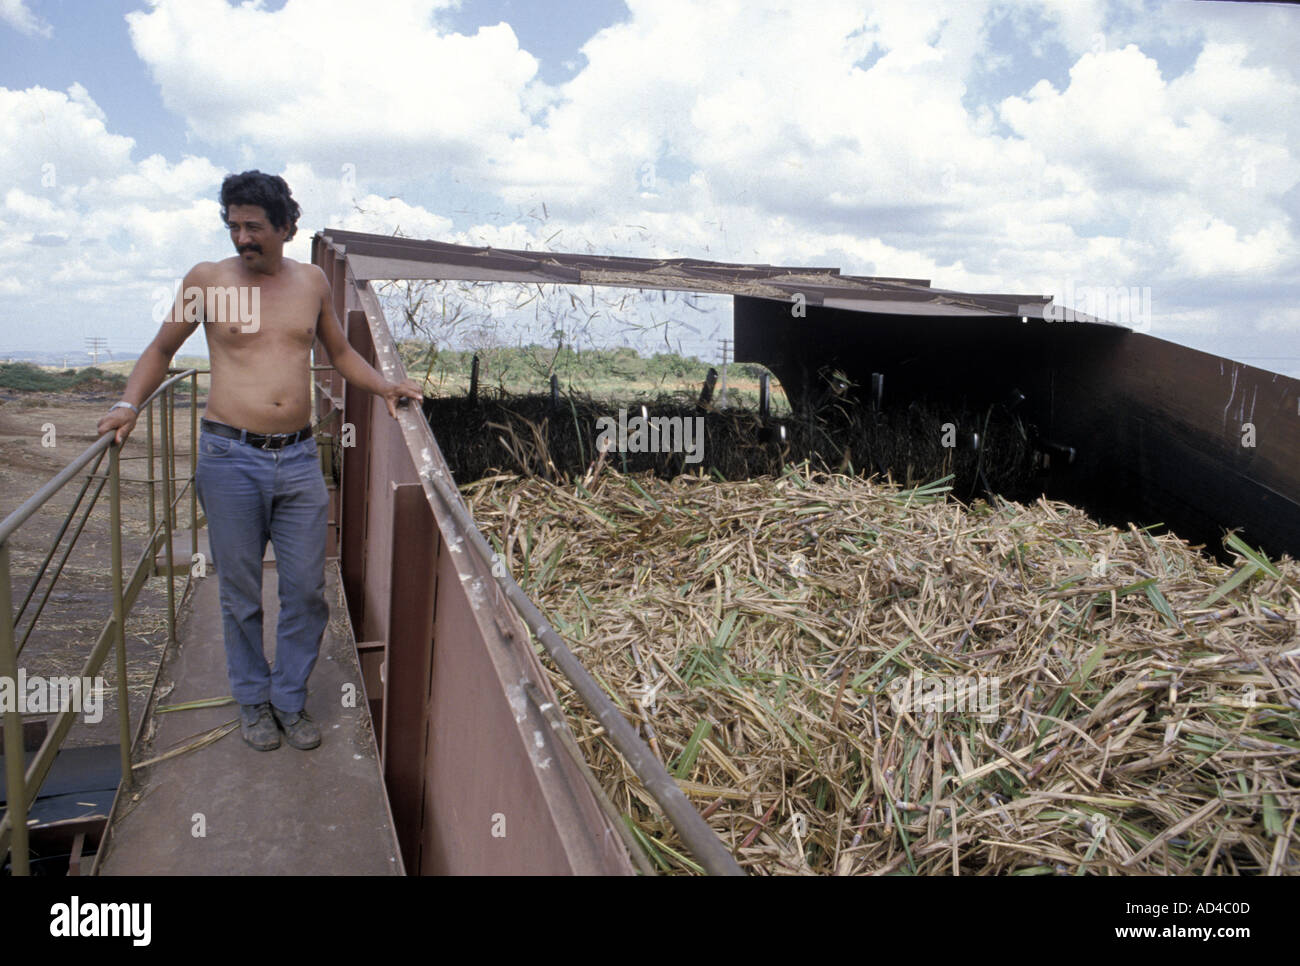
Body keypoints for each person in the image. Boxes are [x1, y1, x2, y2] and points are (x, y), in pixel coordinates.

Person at [97, 171, 422, 752]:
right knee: (240, 594)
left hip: (297, 459)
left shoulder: (313, 281)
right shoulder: (207, 280)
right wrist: (127, 405)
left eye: (254, 227)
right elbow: (161, 349)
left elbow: (341, 352)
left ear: (287, 228)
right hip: (229, 458)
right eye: (233, 226)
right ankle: (251, 701)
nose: (242, 238)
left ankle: (288, 699)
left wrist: (386, 387)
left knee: (304, 590)